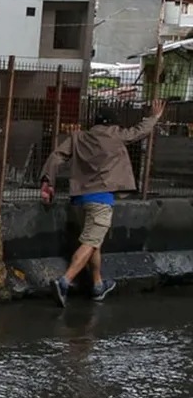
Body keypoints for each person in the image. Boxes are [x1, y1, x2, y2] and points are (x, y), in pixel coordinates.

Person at [41, 99, 166, 308]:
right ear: (112, 124)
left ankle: (98, 285)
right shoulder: (115, 134)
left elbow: (56, 157)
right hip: (101, 200)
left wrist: (48, 181)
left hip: (80, 201)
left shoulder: (78, 137)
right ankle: (64, 282)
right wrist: (154, 117)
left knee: (94, 243)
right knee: (90, 242)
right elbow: (139, 131)